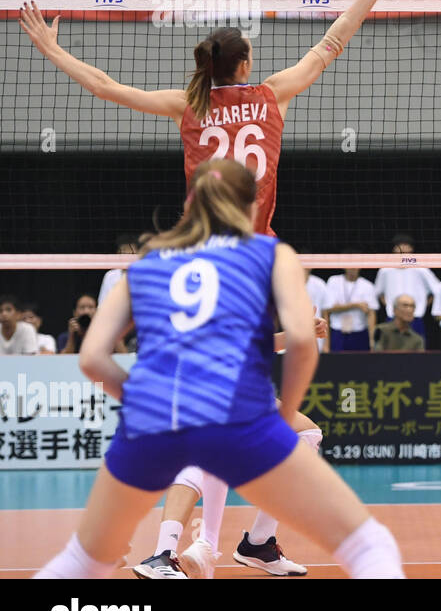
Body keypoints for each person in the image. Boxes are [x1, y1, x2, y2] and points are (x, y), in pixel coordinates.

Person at [35, 160, 404, 580]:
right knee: (369, 546)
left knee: (81, 562)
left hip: (152, 422)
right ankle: (213, 545)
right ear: (251, 207)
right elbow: (304, 344)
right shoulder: (268, 254)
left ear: (190, 204)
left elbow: (92, 358)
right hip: (237, 416)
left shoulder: (148, 263)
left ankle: (199, 548)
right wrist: (277, 424)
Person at [21, 0, 418, 238]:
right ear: (244, 64)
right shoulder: (274, 93)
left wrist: (52, 50)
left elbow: (105, 87)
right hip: (253, 242)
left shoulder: (186, 104)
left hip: (203, 242)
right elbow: (335, 39)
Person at [373, 234, 440, 339]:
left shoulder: (422, 269)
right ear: (394, 249)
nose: (403, 250)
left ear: (411, 249)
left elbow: (437, 291)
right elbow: (378, 292)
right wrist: (390, 305)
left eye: (406, 246)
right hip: (392, 318)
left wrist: (422, 305)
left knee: (417, 352)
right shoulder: (385, 270)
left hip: (415, 318)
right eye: (400, 246)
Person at [325, 263, 378, 352]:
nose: (353, 267)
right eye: (350, 264)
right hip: (338, 331)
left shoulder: (367, 285)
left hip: (359, 332)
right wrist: (356, 305)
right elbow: (329, 308)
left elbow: (371, 314)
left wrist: (372, 340)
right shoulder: (334, 281)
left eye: (356, 264)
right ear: (344, 265)